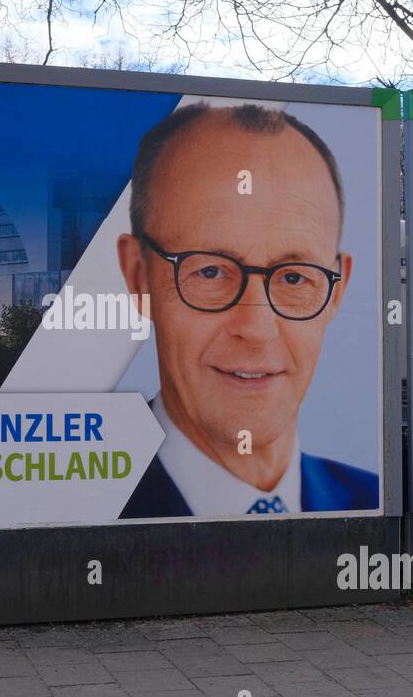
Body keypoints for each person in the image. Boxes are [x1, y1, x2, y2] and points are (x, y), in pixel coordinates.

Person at [116, 102, 378, 518]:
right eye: (211, 271)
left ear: (336, 291)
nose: (256, 328)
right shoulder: (91, 500)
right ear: (138, 276)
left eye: (294, 278)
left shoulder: (373, 500)